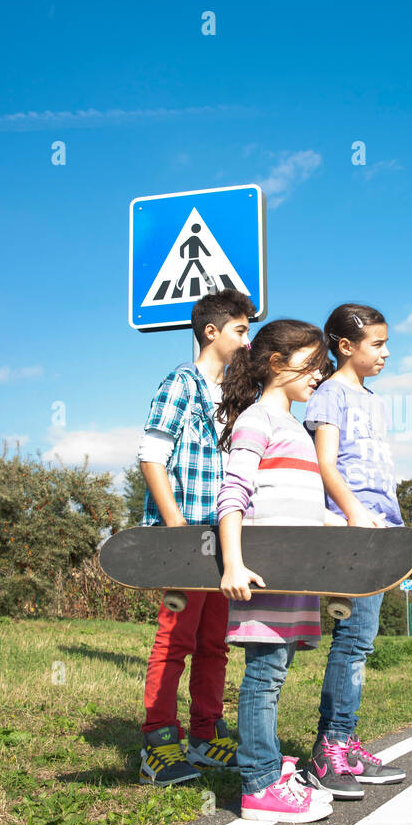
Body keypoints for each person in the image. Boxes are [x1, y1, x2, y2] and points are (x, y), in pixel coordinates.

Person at [217, 319, 336, 823]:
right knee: (262, 677)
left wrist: (348, 521)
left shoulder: (297, 430)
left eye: (322, 366)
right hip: (262, 573)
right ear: (274, 363)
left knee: (276, 672)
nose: (318, 375)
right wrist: (234, 563)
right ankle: (259, 785)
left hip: (293, 576)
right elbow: (233, 495)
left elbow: (304, 505)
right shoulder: (256, 421)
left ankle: (268, 769)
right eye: (310, 364)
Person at [137, 289, 254, 786]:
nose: (247, 341)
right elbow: (151, 455)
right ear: (212, 332)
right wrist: (176, 528)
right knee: (174, 640)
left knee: (214, 643)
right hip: (184, 535)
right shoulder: (180, 382)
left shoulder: (229, 392)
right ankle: (159, 741)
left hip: (221, 537)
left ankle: (206, 736)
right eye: (241, 330)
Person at [302, 303, 407, 795]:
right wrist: (353, 513)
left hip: (381, 527)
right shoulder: (329, 394)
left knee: (362, 640)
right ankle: (329, 750)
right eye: (377, 344)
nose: (386, 352)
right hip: (352, 528)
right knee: (352, 639)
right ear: (346, 347)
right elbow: (325, 464)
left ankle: (342, 738)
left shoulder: (375, 400)